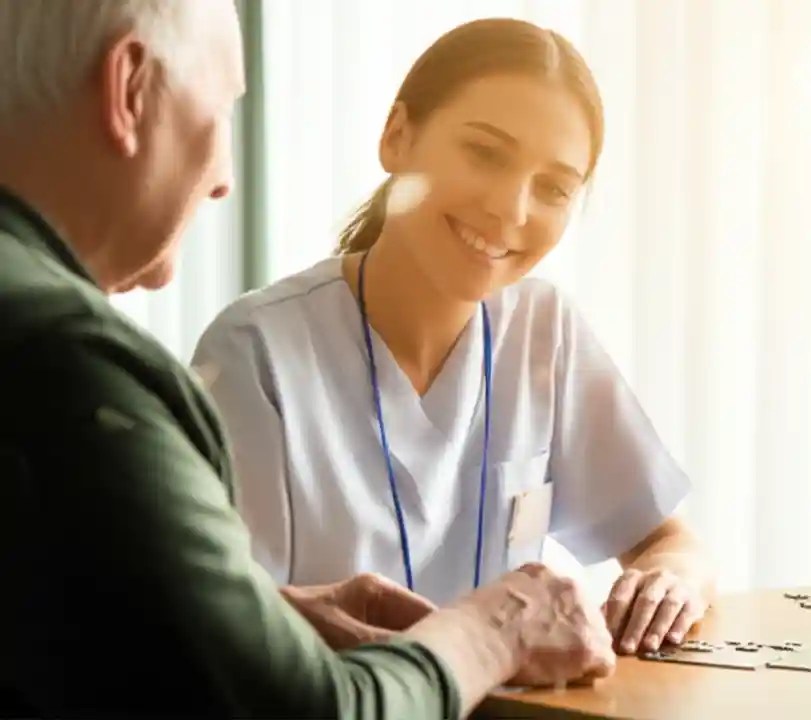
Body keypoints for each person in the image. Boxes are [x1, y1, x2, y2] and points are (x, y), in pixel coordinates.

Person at [0, 2, 616, 718]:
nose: (225, 177)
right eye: (225, 106)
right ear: (130, 87)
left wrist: (261, 619)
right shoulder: (71, 368)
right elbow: (302, 712)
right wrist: (494, 628)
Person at [190, 16, 715, 657]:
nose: (511, 210)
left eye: (551, 188)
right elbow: (229, 636)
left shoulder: (544, 330)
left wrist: (670, 582)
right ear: (397, 137)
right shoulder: (256, 354)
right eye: (485, 153)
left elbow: (667, 541)